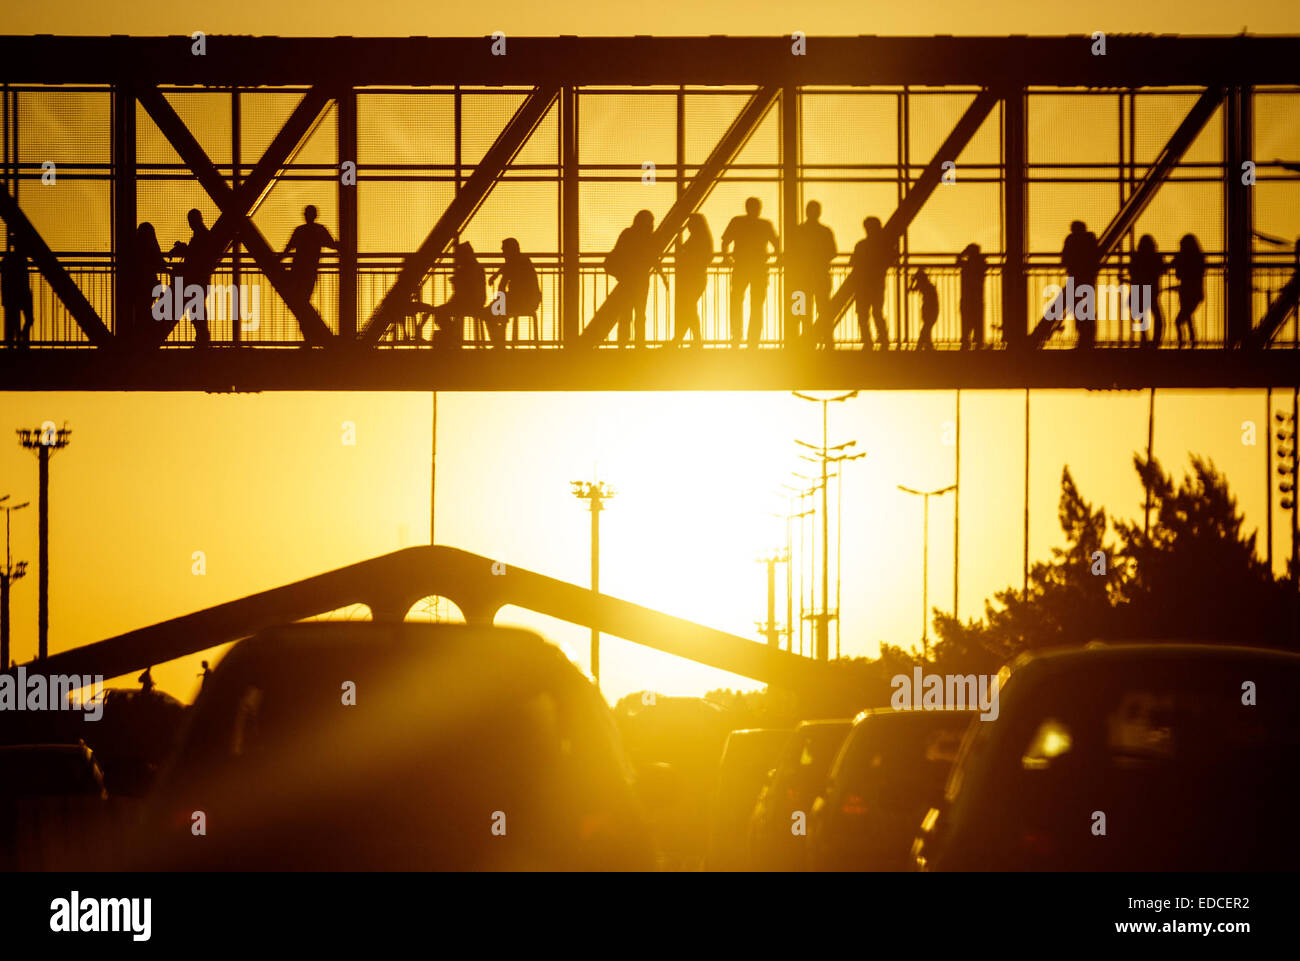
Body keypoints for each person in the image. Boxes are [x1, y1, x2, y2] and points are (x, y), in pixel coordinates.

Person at [721, 197, 779, 348]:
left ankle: (736, 336)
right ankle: (753, 339)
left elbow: (725, 241)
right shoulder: (765, 225)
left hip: (741, 266)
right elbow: (776, 243)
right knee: (757, 304)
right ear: (759, 209)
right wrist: (778, 259)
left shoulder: (737, 222)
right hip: (759, 268)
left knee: (737, 301)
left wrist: (726, 258)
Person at [605, 210, 666, 347]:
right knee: (639, 313)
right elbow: (654, 257)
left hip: (627, 279)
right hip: (641, 280)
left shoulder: (628, 234)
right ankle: (640, 343)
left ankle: (623, 343)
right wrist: (662, 276)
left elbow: (618, 252)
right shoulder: (649, 238)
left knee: (626, 313)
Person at [786, 200, 836, 347]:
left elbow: (791, 252)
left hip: (801, 278)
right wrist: (819, 258)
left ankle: (803, 341)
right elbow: (832, 252)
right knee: (823, 309)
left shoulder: (798, 230)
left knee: (801, 310)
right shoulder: (825, 231)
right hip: (820, 276)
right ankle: (827, 340)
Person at [167, 208, 213, 347]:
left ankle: (203, 338)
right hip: (200, 280)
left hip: (197, 280)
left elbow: (196, 256)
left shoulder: (201, 236)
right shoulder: (204, 235)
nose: (190, 224)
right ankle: (203, 337)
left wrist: (183, 249)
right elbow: (197, 254)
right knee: (197, 309)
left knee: (196, 309)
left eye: (191, 221)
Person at [849, 216, 895, 349]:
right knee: (876, 312)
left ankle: (868, 341)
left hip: (863, 284)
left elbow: (853, 262)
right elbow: (891, 259)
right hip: (876, 283)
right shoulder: (883, 245)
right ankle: (883, 339)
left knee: (863, 313)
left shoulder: (861, 245)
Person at [486, 237, 541, 346]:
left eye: (504, 250)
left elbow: (503, 281)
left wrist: (496, 276)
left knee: (490, 312)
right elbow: (506, 272)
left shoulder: (519, 262)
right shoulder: (522, 260)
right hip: (523, 301)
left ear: (510, 250)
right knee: (497, 310)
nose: (503, 253)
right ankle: (500, 340)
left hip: (523, 301)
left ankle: (499, 343)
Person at [432, 242, 487, 348]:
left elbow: (465, 292)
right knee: (440, 311)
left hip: (469, 303)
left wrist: (457, 283)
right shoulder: (477, 268)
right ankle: (453, 334)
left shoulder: (468, 269)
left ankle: (451, 334)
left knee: (439, 312)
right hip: (474, 302)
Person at [282, 205, 338, 306]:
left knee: (296, 297)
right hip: (310, 268)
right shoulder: (319, 230)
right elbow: (332, 244)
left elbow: (289, 248)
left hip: (297, 268)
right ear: (315, 216)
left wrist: (277, 260)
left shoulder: (300, 230)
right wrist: (341, 246)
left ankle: (303, 314)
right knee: (305, 296)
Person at [672, 214, 712, 347]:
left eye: (690, 222)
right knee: (690, 308)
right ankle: (686, 339)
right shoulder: (701, 237)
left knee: (689, 308)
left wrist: (678, 236)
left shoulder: (698, 238)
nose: (688, 225)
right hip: (697, 278)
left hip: (694, 278)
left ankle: (687, 339)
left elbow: (683, 251)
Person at [127, 223, 170, 346]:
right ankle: (149, 334)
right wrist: (170, 269)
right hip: (150, 284)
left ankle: (141, 337)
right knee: (155, 307)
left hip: (139, 285)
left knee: (142, 311)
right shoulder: (151, 245)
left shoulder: (135, 247)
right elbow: (159, 262)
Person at [1061, 220, 1100, 349]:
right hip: (1088, 279)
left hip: (1075, 278)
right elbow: (1095, 257)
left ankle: (1083, 338)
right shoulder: (1090, 239)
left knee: (1078, 309)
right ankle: (1088, 339)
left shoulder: (1071, 239)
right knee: (1087, 309)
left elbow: (1064, 258)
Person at [1127, 234, 1165, 348]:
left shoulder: (1136, 257)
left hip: (1138, 289)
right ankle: (1155, 341)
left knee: (1141, 316)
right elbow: (1162, 269)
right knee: (1157, 317)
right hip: (1151, 289)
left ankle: (1144, 338)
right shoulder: (1156, 257)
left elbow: (1131, 271)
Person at [1171, 233, 1205, 349]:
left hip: (1187, 292)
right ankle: (1191, 341)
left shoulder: (1184, 258)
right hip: (1195, 293)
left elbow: (1178, 274)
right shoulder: (1198, 257)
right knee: (1187, 317)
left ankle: (1183, 342)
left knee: (1180, 320)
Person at [1, 245, 34, 347]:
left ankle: (17, 340)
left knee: (15, 321)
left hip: (14, 295)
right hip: (20, 294)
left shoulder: (7, 259)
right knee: (24, 319)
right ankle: (21, 340)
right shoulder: (21, 259)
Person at [956, 243, 986, 349]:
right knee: (977, 321)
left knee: (967, 322)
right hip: (977, 298)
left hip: (967, 298)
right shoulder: (981, 263)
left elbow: (957, 262)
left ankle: (966, 343)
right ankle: (978, 343)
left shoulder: (968, 264)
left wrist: (962, 254)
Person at [909, 268, 939, 351]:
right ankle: (928, 346)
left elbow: (911, 289)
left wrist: (912, 281)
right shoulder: (928, 285)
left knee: (926, 328)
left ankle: (920, 346)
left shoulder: (925, 286)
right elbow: (911, 290)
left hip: (929, 308)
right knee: (927, 328)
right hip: (931, 308)